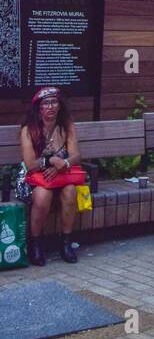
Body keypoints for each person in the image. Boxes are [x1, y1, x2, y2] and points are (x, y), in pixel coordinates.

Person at [19, 87, 88, 266]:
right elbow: (30, 164)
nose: (50, 106)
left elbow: (76, 156)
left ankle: (66, 242)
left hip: (61, 175)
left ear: (60, 105)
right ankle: (36, 244)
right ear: (38, 108)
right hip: (34, 177)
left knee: (71, 191)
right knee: (43, 195)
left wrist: (62, 165)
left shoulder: (66, 126)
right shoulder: (29, 130)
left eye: (54, 102)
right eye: (45, 103)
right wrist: (51, 160)